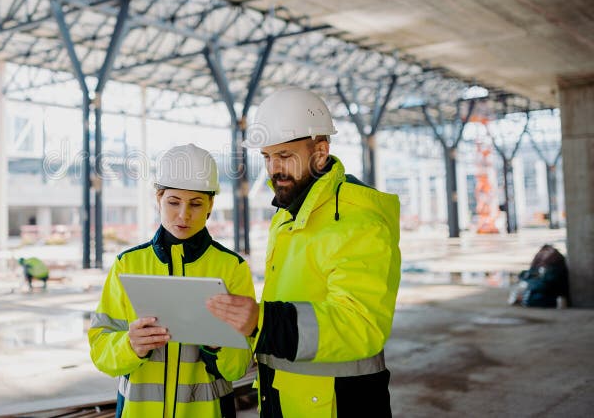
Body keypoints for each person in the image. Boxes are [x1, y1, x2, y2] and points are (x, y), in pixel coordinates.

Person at [206, 87, 401, 417]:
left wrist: (261, 320)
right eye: (267, 158)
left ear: (320, 153)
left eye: (284, 156)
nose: (273, 169)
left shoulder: (359, 222)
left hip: (341, 404)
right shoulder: (286, 217)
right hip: (281, 396)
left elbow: (360, 324)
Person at [89, 143, 255, 418]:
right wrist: (130, 346)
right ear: (158, 198)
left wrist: (217, 345)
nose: (183, 215)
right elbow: (100, 351)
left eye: (196, 203)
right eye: (174, 202)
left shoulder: (232, 268)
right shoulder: (128, 264)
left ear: (211, 204)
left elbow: (238, 368)